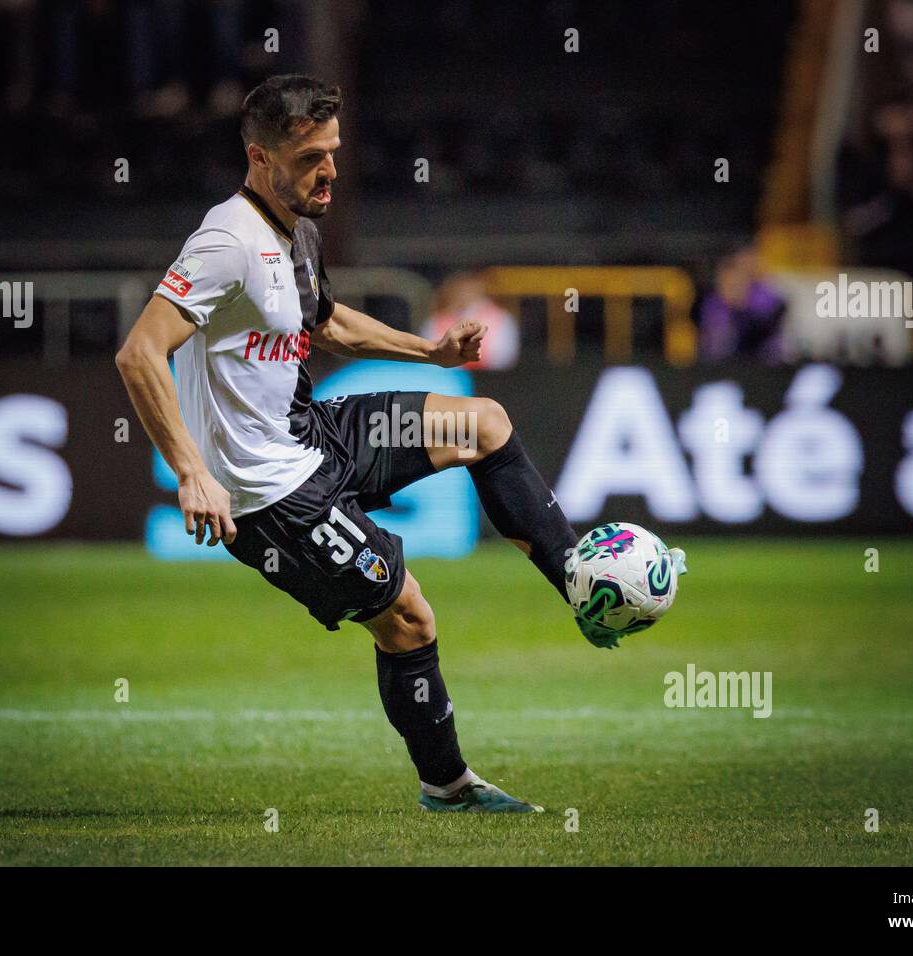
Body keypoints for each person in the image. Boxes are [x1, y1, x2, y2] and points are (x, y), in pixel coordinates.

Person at [116, 75, 603, 813]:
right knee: (407, 618)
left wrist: (431, 351)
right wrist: (190, 473)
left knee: (483, 423)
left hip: (312, 432)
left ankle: (584, 586)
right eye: (311, 157)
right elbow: (139, 353)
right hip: (269, 494)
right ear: (259, 158)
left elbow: (327, 320)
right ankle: (449, 786)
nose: (331, 172)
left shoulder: (300, 227)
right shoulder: (226, 241)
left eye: (335, 153)